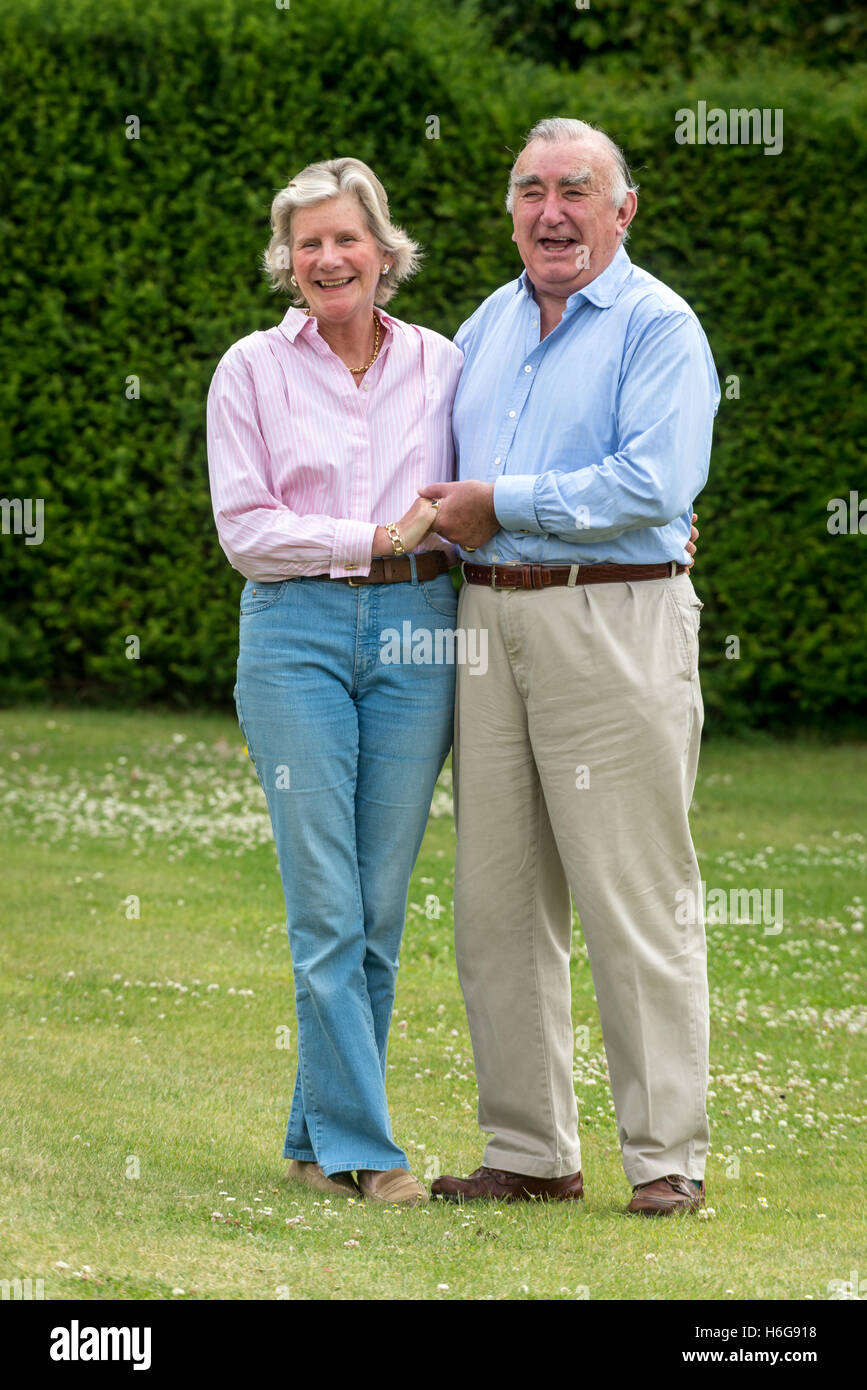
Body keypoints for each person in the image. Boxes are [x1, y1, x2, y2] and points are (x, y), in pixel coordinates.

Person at [420, 117, 719, 1215]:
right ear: (509, 208)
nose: (552, 212)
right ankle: (531, 1150)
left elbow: (654, 484)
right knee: (497, 903)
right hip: (488, 624)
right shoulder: (484, 328)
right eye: (532, 189)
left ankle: (666, 1159)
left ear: (621, 209)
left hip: (614, 620)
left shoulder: (658, 325)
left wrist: (503, 504)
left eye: (577, 190)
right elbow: (440, 480)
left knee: (633, 893)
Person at [206, 156, 462, 1205]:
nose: (327, 258)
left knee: (378, 903)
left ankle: (314, 1138)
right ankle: (369, 1150)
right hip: (294, 635)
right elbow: (248, 531)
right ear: (288, 259)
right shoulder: (251, 370)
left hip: (420, 628)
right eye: (307, 242)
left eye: (344, 238)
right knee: (326, 902)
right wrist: (367, 533)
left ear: (382, 248)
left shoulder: (445, 362)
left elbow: (475, 488)